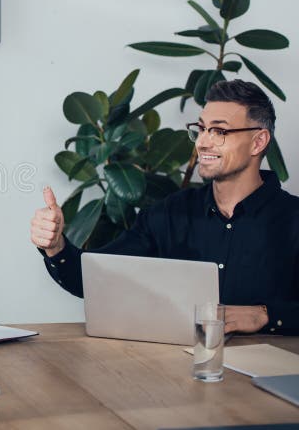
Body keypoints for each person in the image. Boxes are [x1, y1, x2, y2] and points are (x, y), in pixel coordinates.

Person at [30, 79, 298, 335]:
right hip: (175, 371)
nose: (202, 142)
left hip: (267, 372)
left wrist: (264, 315)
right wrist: (55, 247)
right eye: (201, 129)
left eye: (219, 131)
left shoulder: (293, 219)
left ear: (258, 142)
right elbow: (96, 279)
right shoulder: (169, 212)